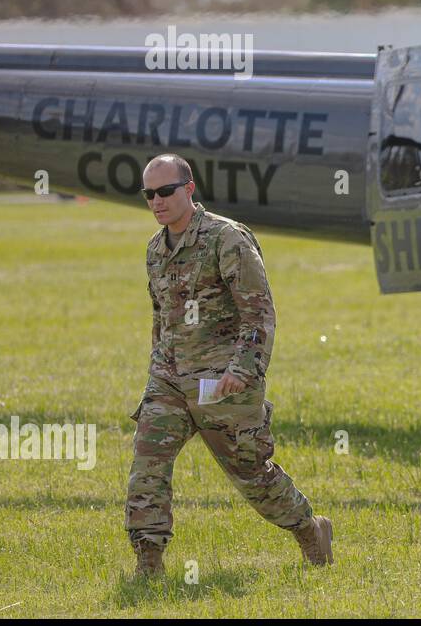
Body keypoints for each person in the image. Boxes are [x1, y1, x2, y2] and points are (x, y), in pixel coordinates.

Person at [126, 153, 331, 576]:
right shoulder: (155, 249)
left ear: (189, 188)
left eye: (166, 191)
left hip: (224, 383)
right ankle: (149, 563)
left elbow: (259, 313)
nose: (158, 201)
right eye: (150, 194)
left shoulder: (227, 239)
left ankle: (310, 530)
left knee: (253, 476)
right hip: (169, 381)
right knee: (148, 463)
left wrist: (242, 371)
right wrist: (155, 375)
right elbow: (161, 318)